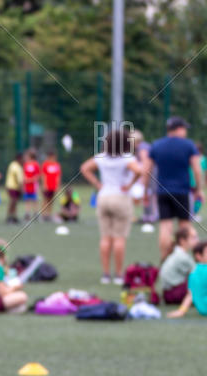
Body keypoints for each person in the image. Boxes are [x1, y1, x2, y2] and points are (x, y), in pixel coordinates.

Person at [79, 127, 142, 285]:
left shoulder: (101, 157)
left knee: (105, 238)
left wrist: (97, 184)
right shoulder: (127, 158)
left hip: (103, 197)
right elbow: (139, 171)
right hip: (120, 197)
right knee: (119, 238)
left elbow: (84, 168)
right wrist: (130, 185)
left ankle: (106, 274)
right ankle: (119, 274)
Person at [142, 116, 197, 260]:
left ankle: (165, 260)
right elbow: (197, 169)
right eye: (184, 129)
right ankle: (184, 259)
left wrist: (145, 191)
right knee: (185, 227)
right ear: (179, 129)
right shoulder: (188, 145)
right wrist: (199, 189)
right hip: (182, 191)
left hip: (162, 192)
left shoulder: (156, 145)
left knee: (165, 227)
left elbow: (146, 170)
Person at [156, 225, 196, 306]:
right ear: (182, 241)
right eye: (193, 238)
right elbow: (197, 274)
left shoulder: (176, 252)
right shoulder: (182, 256)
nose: (196, 240)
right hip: (175, 294)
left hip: (168, 294)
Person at [40, 150, 62, 221]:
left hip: (53, 186)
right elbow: (43, 175)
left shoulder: (56, 165)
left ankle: (49, 214)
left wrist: (57, 185)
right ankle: (43, 215)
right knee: (45, 200)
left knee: (51, 201)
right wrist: (44, 184)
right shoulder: (45, 165)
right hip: (47, 186)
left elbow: (58, 176)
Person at [2, 153, 24, 224]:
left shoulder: (17, 165)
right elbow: (16, 177)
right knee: (12, 201)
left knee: (15, 202)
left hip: (15, 187)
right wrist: (21, 187)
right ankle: (9, 217)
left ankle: (14, 217)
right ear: (19, 158)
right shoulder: (14, 165)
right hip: (12, 186)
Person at [20, 149, 41, 221]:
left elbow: (37, 176)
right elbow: (24, 175)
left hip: (33, 186)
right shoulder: (26, 164)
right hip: (27, 186)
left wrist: (29, 180)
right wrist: (24, 182)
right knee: (27, 200)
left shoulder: (36, 164)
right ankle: (27, 214)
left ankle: (36, 214)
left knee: (35, 200)